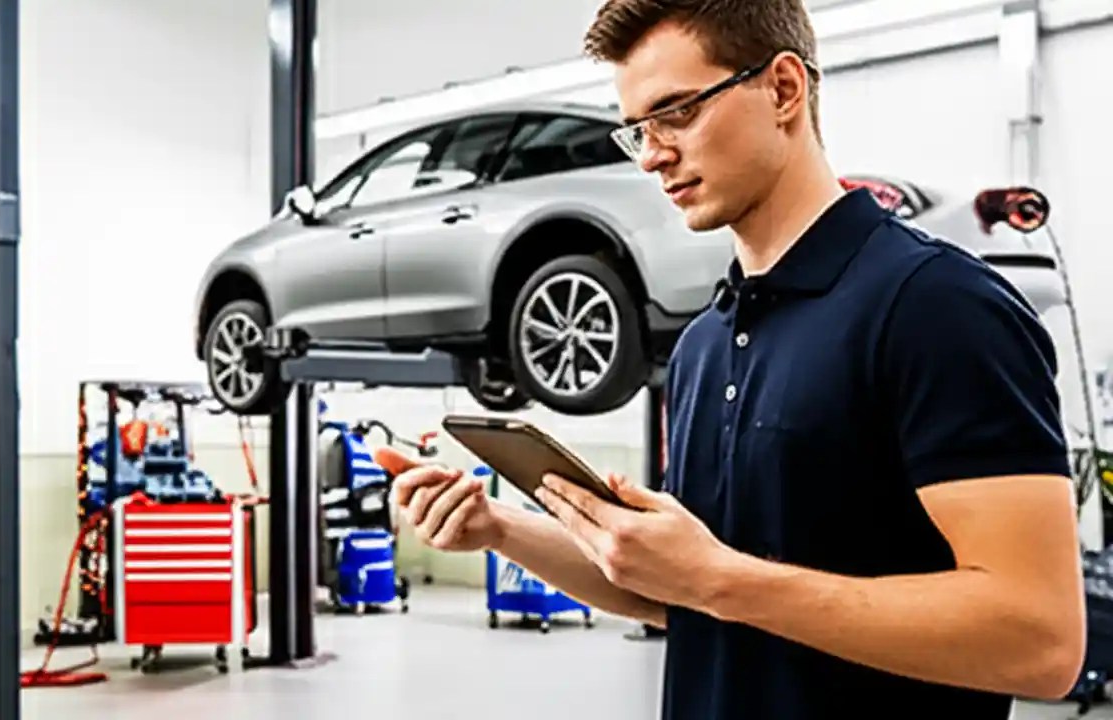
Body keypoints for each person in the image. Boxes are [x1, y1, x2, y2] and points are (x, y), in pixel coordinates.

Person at [378, 1, 1087, 717]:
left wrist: (719, 578)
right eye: (637, 131)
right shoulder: (702, 344)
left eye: (677, 112)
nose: (652, 153)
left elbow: (1041, 641)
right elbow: (681, 593)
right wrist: (500, 528)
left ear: (783, 89)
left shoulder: (938, 307)